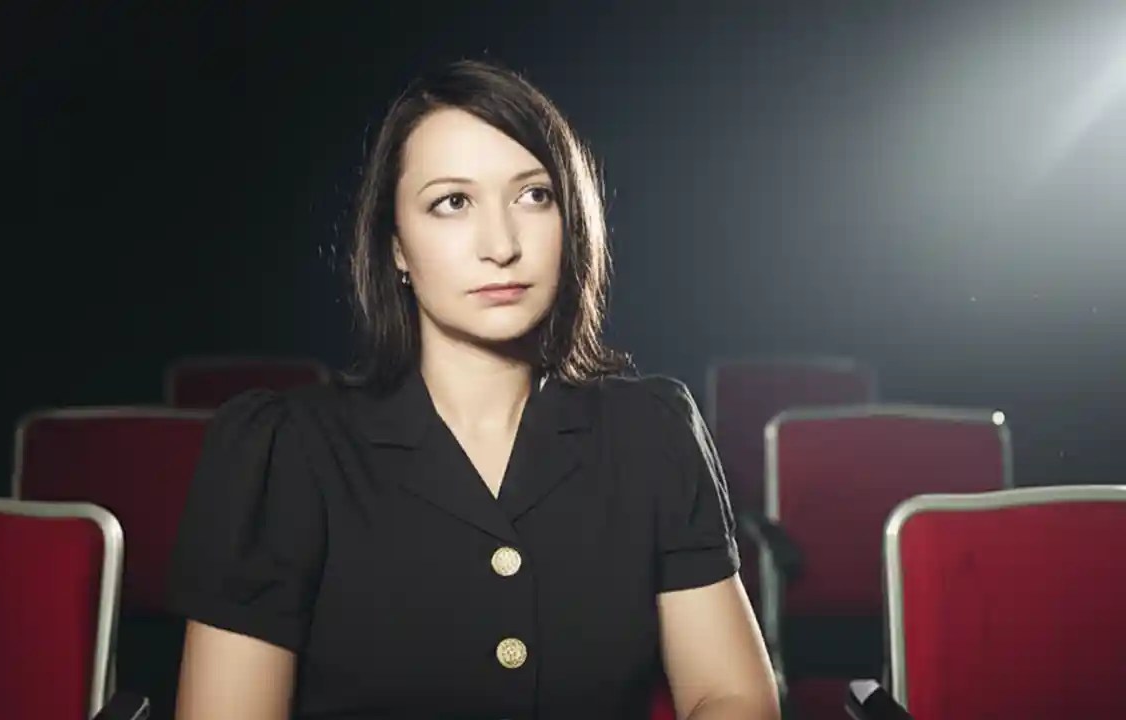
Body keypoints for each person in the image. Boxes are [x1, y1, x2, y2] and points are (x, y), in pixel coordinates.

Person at [166, 59, 779, 720]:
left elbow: (733, 695)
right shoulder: (284, 450)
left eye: (533, 195)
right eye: (452, 202)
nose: (501, 244)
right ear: (395, 246)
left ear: (571, 220)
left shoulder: (652, 430)